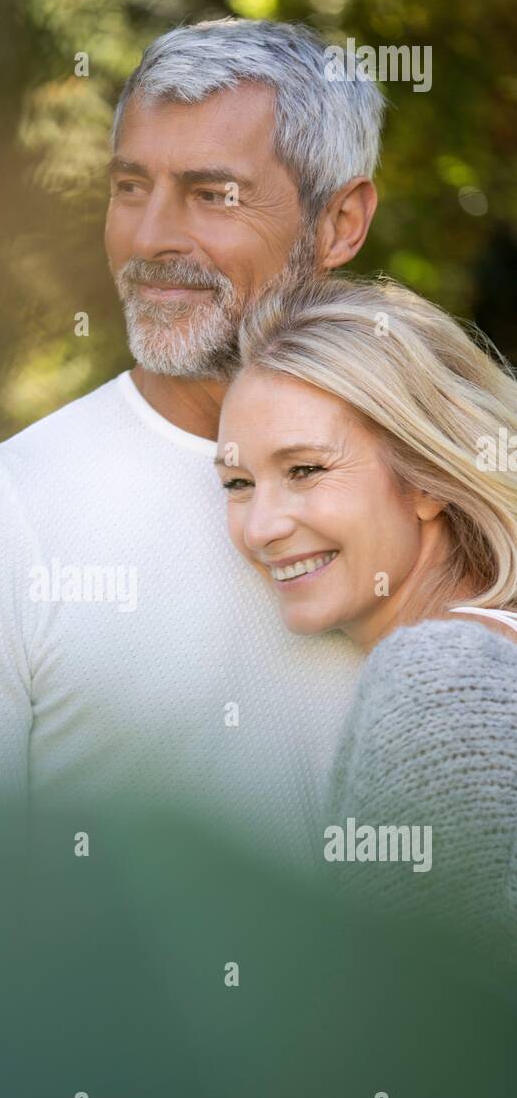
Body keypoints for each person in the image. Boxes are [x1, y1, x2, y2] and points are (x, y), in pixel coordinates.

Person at [0, 18, 383, 856]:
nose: (149, 240)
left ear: (340, 222)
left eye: (212, 194)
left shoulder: (440, 492)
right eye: (130, 187)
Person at [216, 274, 517, 961]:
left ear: (426, 481)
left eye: (306, 470)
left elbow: (396, 1035)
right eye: (237, 483)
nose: (260, 527)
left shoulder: (442, 680)